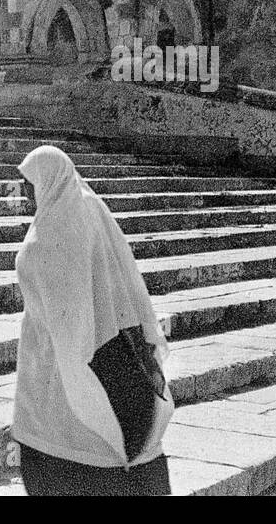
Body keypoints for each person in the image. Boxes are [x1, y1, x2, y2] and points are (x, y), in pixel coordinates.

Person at [11, 145, 174, 496]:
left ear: (47, 180)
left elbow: (69, 323)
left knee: (67, 434)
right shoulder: (88, 212)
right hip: (101, 346)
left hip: (59, 357)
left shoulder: (48, 235)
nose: (24, 192)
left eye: (28, 182)